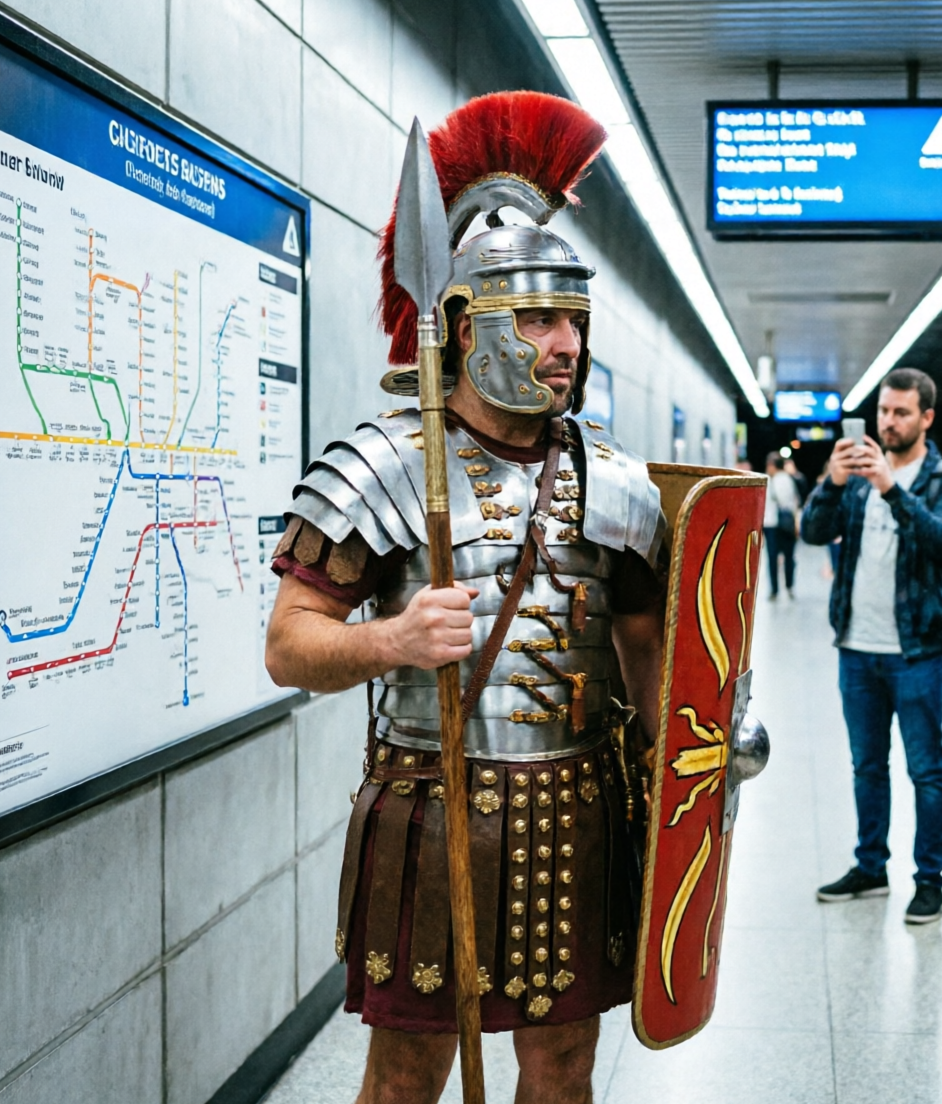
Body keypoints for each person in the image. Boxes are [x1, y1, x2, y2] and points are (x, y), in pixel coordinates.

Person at [264, 93, 666, 1104]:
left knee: (565, 1061)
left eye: (570, 316)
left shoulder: (613, 484)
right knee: (407, 1072)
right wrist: (392, 638)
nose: (563, 342)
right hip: (433, 808)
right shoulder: (386, 464)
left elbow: (645, 641)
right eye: (534, 316)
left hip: (578, 809)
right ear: (460, 321)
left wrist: (681, 767)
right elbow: (289, 647)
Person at [802, 368, 942, 923]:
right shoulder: (851, 477)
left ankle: (929, 881)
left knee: (926, 770)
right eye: (883, 412)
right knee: (867, 766)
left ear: (926, 417)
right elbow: (809, 531)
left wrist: (891, 489)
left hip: (918, 649)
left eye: (901, 413)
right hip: (857, 646)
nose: (888, 422)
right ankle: (870, 866)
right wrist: (831, 481)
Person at [763, 451, 801, 599]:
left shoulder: (771, 481)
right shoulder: (788, 479)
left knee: (772, 558)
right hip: (787, 524)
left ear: (772, 466)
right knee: (789, 556)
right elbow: (793, 502)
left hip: (772, 525)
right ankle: (790, 586)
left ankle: (774, 589)